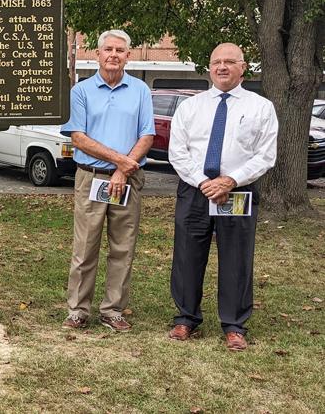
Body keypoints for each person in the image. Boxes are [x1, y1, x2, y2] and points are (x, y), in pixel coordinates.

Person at [167, 43, 277, 351]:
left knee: (236, 257)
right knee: (188, 254)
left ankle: (234, 325)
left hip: (237, 191)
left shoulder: (260, 107)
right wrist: (205, 182)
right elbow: (178, 152)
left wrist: (230, 180)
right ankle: (186, 318)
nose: (222, 67)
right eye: (217, 61)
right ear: (209, 67)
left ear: (243, 67)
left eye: (230, 61)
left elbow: (265, 155)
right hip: (195, 190)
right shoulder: (191, 106)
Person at [59, 29, 155, 332]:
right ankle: (78, 311)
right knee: (85, 247)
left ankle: (113, 310)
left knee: (123, 248)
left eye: (120, 50)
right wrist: (120, 161)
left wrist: (122, 170)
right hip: (90, 179)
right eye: (108, 49)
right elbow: (78, 137)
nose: (114, 54)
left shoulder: (140, 90)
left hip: (126, 181)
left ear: (128, 55)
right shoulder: (81, 92)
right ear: (97, 54)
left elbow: (147, 134)